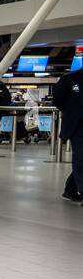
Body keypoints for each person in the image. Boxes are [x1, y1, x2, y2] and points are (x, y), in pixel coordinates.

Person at [56, 60, 83, 203]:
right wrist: (72, 113)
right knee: (81, 157)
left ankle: (70, 189)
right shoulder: (69, 79)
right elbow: (58, 100)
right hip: (77, 125)